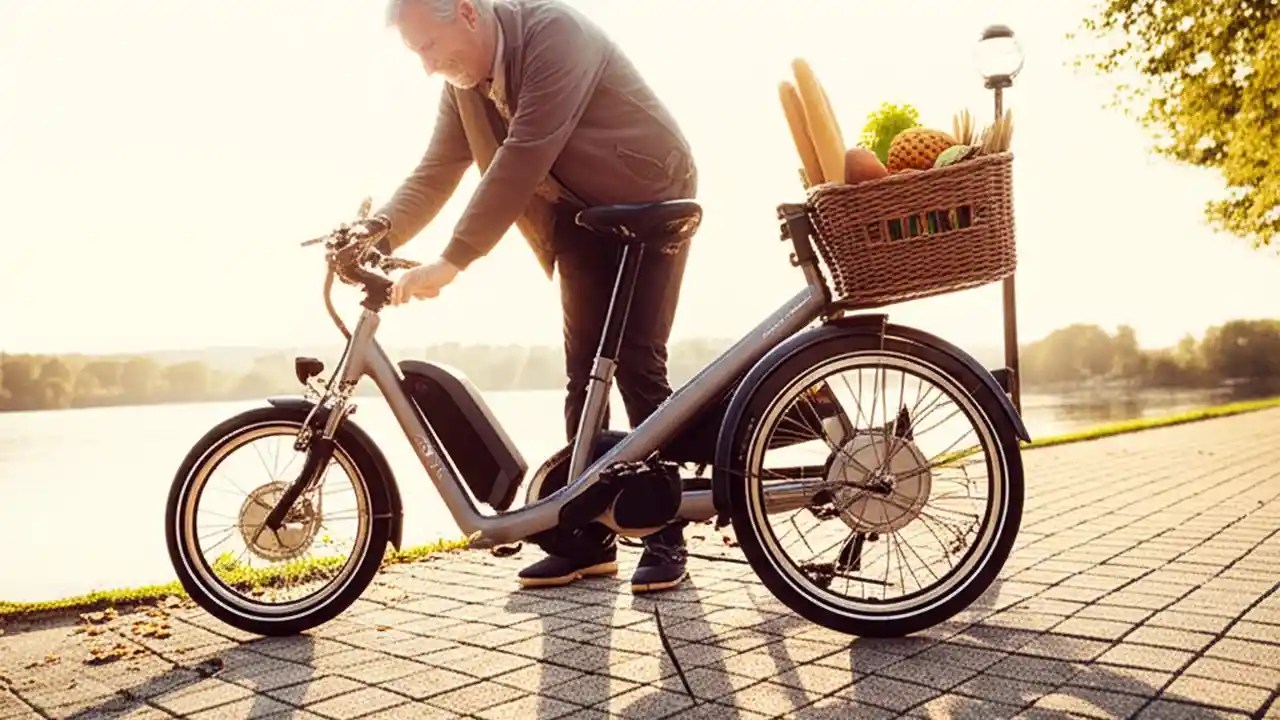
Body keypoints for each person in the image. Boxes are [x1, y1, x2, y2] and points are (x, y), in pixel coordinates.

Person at [359, 0, 699, 593]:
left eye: (429, 48)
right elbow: (438, 167)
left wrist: (453, 259)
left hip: (651, 196)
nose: (427, 66)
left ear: (466, 11)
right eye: (417, 54)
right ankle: (585, 534)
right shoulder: (467, 81)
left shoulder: (553, 34)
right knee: (582, 375)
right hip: (581, 214)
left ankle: (664, 530)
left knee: (640, 364)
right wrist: (375, 230)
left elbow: (524, 154)